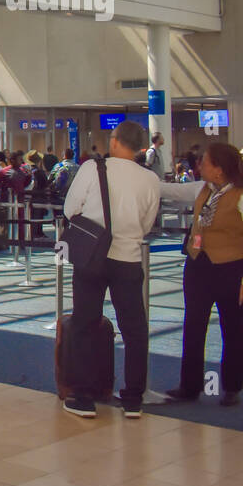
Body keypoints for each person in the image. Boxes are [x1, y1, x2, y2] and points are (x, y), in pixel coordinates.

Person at [60, 120, 160, 419]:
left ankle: (84, 397)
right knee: (134, 329)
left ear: (115, 141)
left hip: (91, 256)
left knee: (85, 324)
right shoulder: (150, 179)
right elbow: (147, 223)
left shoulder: (93, 168)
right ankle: (132, 399)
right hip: (128, 258)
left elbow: (69, 208)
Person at [160, 143, 243, 407]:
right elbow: (168, 189)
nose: (199, 166)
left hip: (231, 269)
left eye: (204, 162)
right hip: (198, 267)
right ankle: (189, 386)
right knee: (193, 325)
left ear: (218, 169)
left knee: (233, 328)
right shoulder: (200, 189)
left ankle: (232, 387)